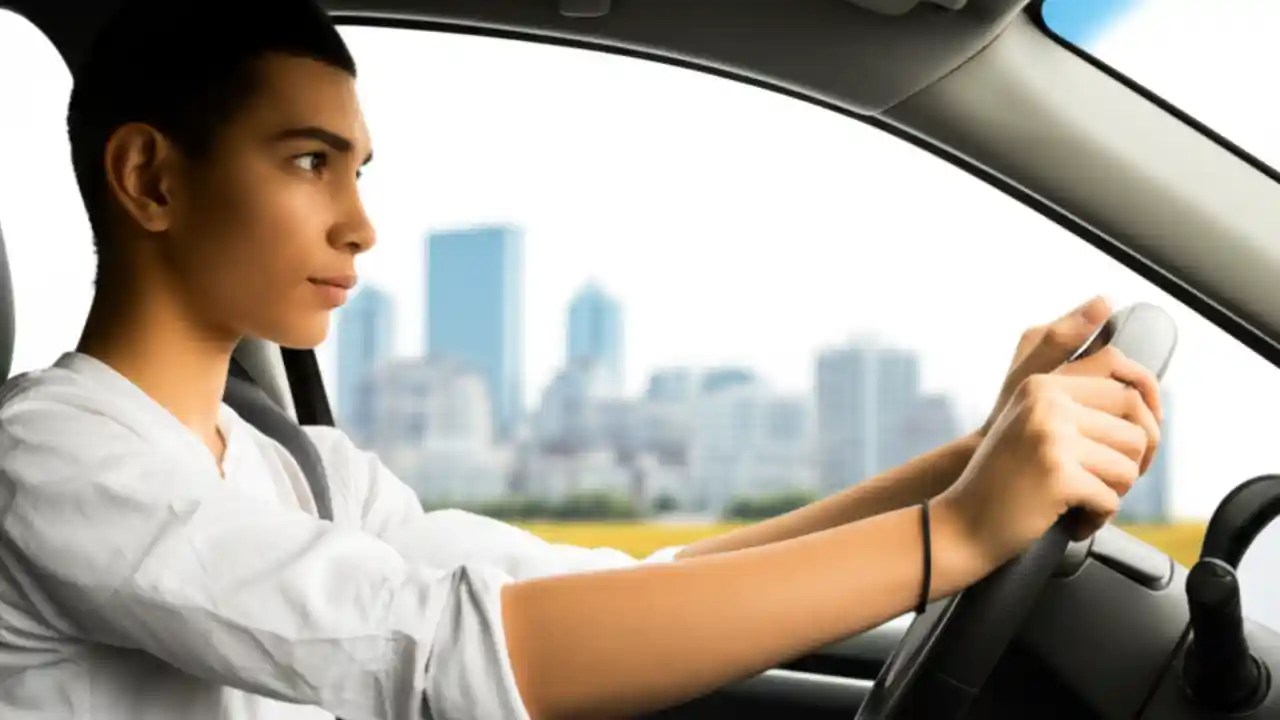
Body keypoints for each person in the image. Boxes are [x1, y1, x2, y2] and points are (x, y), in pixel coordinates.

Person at [0, 1, 1163, 718]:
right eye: (310, 163)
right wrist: (950, 537)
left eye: (358, 172)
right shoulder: (49, 463)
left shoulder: (294, 468)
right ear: (151, 178)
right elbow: (451, 656)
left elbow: (602, 592)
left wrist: (966, 463)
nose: (359, 225)